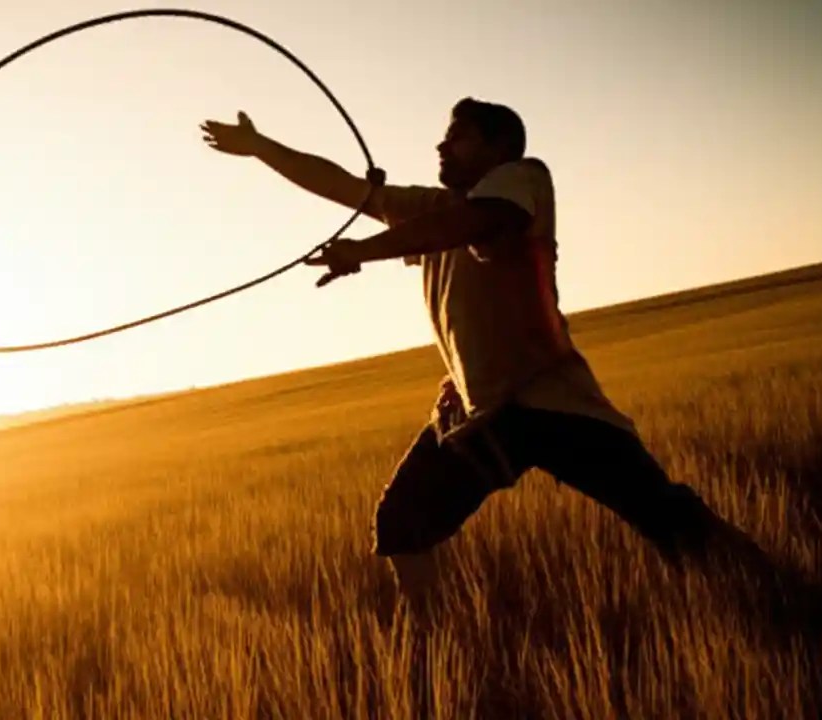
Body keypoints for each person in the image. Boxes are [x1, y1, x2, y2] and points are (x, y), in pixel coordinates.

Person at [199, 99, 768, 632]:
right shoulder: (430, 208)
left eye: (458, 138)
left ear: (499, 148)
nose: (442, 148)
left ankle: (775, 593)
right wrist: (260, 146)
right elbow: (342, 186)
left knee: (664, 515)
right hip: (483, 415)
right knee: (402, 524)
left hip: (555, 405)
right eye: (444, 139)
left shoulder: (524, 180)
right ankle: (436, 642)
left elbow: (471, 225)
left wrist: (362, 253)